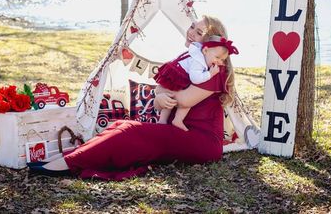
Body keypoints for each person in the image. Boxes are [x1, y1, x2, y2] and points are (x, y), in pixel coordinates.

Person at [28, 15, 237, 181]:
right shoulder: (190, 62)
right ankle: (72, 156)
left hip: (200, 140)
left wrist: (164, 94)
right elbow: (160, 95)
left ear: (210, 44)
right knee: (120, 124)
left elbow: (184, 100)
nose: (191, 33)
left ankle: (69, 164)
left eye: (199, 32)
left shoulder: (214, 71)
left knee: (130, 131)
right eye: (192, 27)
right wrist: (160, 98)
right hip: (177, 131)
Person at [154, 35, 239, 131]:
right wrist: (210, 74)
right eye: (217, 57)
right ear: (205, 50)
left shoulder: (200, 56)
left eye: (222, 60)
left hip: (177, 77)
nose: (219, 62)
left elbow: (184, 100)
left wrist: (160, 93)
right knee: (169, 97)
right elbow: (195, 79)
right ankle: (172, 120)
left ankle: (165, 120)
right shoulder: (199, 61)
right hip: (179, 77)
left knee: (170, 96)